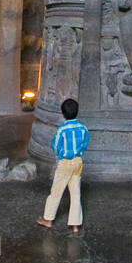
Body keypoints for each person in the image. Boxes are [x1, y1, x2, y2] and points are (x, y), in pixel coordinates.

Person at [37, 98, 89, 234]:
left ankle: (48, 219)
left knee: (56, 191)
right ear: (77, 112)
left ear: (63, 113)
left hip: (65, 163)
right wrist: (78, 153)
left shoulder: (62, 129)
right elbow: (85, 144)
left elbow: (55, 145)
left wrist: (61, 155)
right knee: (76, 193)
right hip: (78, 162)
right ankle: (75, 223)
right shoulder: (83, 128)